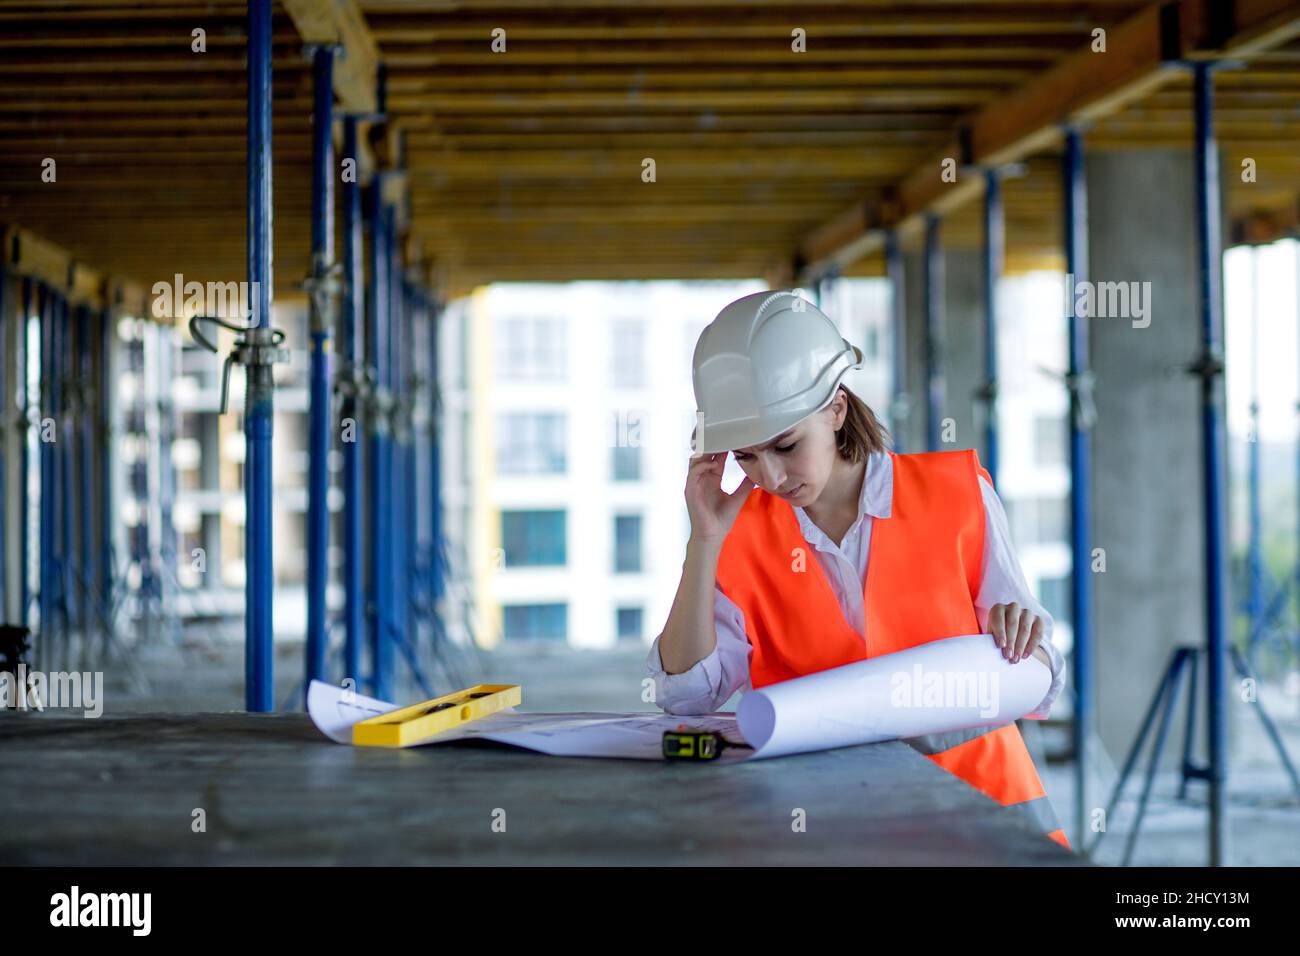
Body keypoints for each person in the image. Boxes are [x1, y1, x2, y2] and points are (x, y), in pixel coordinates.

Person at [647, 289, 1070, 851]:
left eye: (786, 445)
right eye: (747, 456)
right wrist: (702, 540)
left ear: (837, 409)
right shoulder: (735, 533)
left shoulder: (956, 493)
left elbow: (1040, 665)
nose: (771, 476)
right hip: (825, 825)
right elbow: (686, 695)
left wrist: (1026, 631)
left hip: (982, 818)